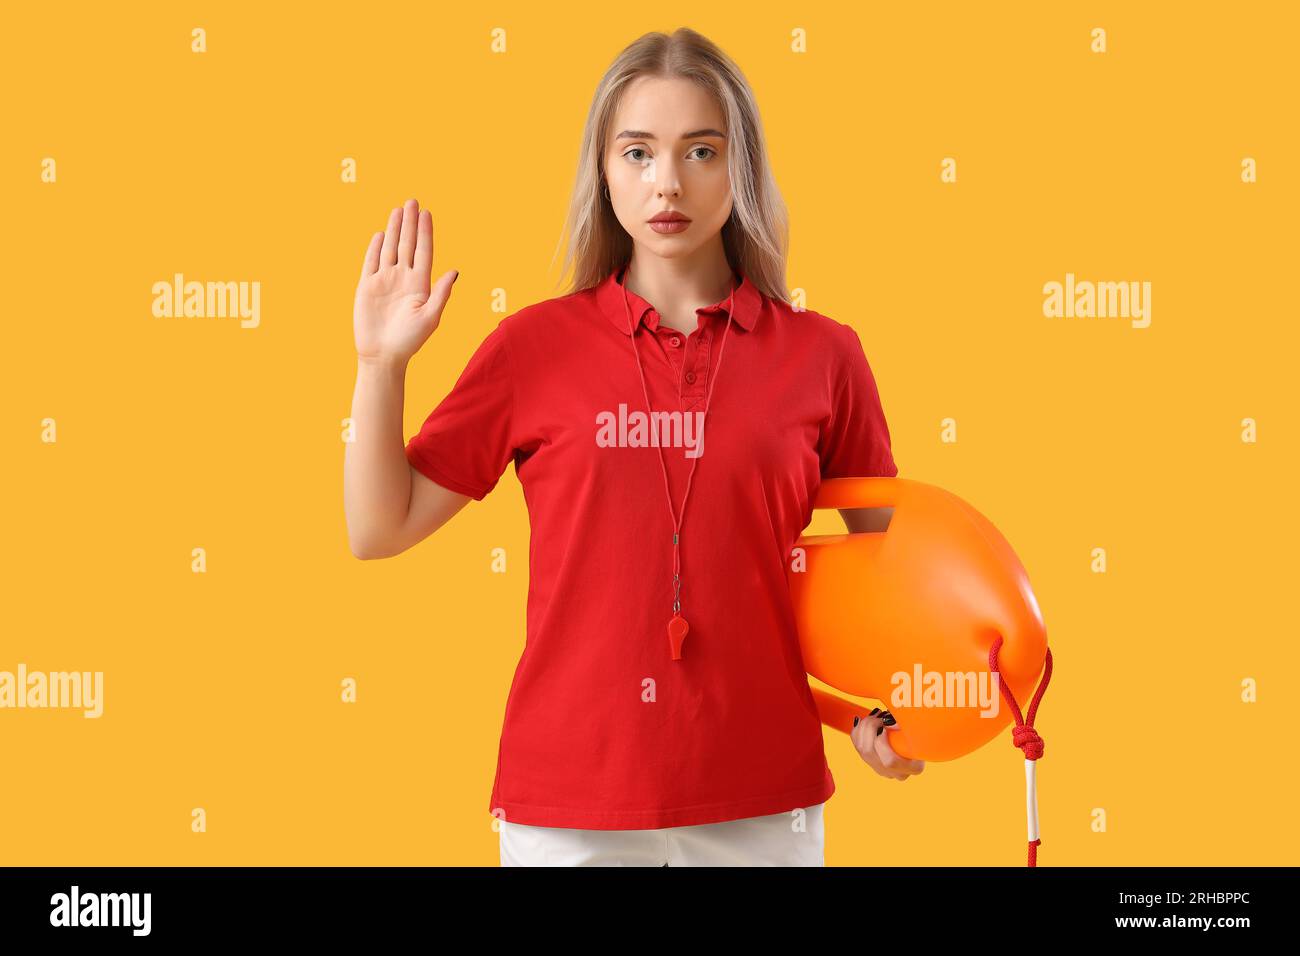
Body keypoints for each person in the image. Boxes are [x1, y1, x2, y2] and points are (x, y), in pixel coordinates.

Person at [343, 27, 923, 868]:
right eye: (638, 153)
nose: (668, 182)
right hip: (569, 805)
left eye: (700, 150)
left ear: (741, 168)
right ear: (604, 170)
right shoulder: (531, 349)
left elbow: (886, 577)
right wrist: (379, 364)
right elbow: (377, 527)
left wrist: (887, 711)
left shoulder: (825, 357)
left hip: (764, 805)